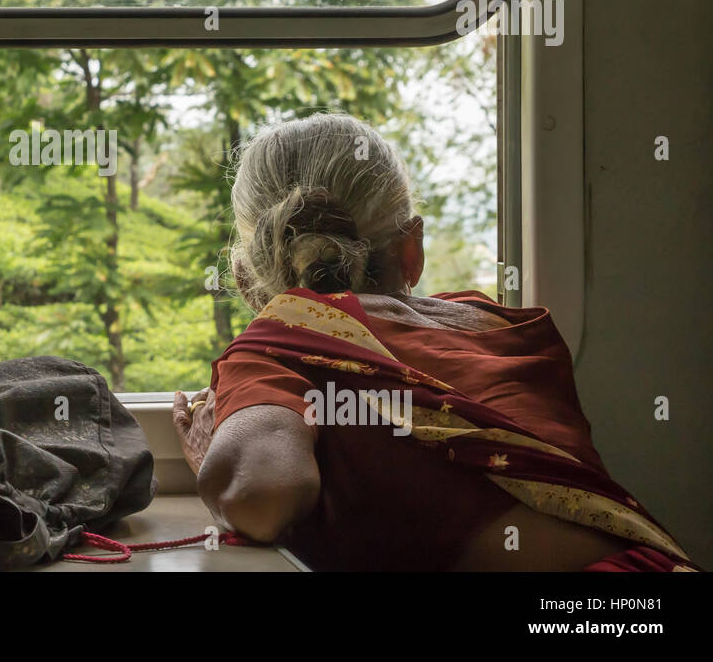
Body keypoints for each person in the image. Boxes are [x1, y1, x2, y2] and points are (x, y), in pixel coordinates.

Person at [172, 113, 697, 572]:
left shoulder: (277, 342)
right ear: (412, 251)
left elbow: (261, 497)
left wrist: (211, 449)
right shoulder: (499, 325)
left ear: (245, 280)